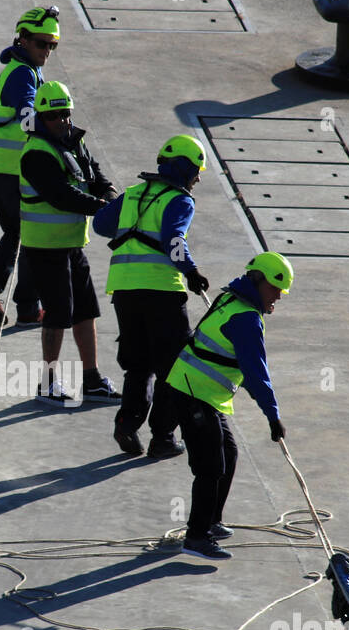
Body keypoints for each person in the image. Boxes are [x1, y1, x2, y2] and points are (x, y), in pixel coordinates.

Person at [165, 252, 293, 559]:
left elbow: (241, 366)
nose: (278, 297)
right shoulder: (246, 318)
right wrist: (272, 416)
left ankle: (211, 521)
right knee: (211, 467)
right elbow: (255, 372)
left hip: (204, 394)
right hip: (193, 392)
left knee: (229, 453)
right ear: (258, 280)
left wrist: (268, 410)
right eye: (275, 289)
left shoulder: (232, 300)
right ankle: (196, 538)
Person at [93, 135, 211, 459]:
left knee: (138, 364)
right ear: (185, 168)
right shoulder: (181, 201)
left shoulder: (133, 193)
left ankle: (127, 424)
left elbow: (101, 224)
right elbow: (174, 240)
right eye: (197, 170)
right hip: (162, 291)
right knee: (173, 367)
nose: (198, 178)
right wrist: (191, 271)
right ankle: (163, 438)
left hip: (124, 290)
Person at [18, 81, 123, 406]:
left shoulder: (74, 143)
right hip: (45, 247)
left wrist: (109, 197)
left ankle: (91, 381)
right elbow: (61, 196)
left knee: (86, 311)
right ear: (41, 117)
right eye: (54, 115)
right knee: (58, 314)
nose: (62, 120)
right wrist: (104, 209)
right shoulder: (36, 153)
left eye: (65, 113)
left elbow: (98, 179)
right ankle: (48, 383)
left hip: (72, 245)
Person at [0, 6, 58, 329]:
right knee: (25, 230)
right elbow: (26, 116)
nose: (46, 50)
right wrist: (55, 140)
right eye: (40, 43)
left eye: (52, 45)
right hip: (5, 168)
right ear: (22, 39)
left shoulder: (19, 67)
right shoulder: (22, 73)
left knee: (21, 232)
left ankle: (26, 306)